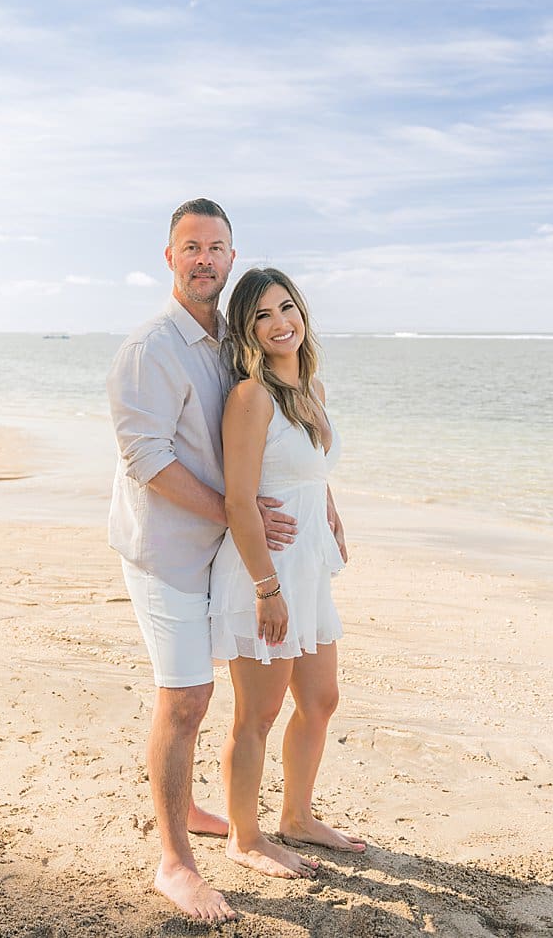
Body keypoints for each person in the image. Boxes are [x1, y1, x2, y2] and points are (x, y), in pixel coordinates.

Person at [107, 199, 297, 923]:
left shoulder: (229, 340)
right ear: (169, 257)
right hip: (164, 553)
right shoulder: (149, 349)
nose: (205, 258)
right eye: (191, 246)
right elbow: (148, 461)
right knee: (184, 698)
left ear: (231, 255)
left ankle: (191, 809)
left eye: (217, 246)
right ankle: (175, 863)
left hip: (220, 550)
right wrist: (236, 513)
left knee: (215, 693)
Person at [209, 266, 367, 880]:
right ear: (248, 331)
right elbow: (238, 499)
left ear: (301, 311)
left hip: (308, 567)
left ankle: (296, 817)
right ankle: (244, 839)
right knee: (258, 713)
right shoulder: (250, 397)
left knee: (322, 699)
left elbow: (310, 470)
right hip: (264, 572)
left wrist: (332, 513)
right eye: (262, 316)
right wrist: (265, 588)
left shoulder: (311, 389)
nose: (280, 324)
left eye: (286, 308)